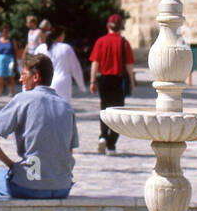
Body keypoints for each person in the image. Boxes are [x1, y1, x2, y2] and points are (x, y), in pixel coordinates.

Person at [0, 53, 78, 199]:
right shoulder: (66, 106)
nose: (20, 79)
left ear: (35, 77)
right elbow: (69, 150)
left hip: (30, 184)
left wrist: (11, 165)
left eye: (23, 74)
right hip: (62, 187)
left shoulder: (22, 99)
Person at [90, 13, 135, 154]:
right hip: (118, 80)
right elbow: (129, 65)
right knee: (118, 113)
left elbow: (95, 64)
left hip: (104, 80)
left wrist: (92, 81)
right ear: (120, 27)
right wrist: (132, 81)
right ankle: (111, 143)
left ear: (107, 26)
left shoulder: (100, 41)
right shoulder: (124, 42)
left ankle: (103, 136)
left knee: (105, 109)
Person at [45, 24, 86, 104]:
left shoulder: (42, 48)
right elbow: (75, 68)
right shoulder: (66, 48)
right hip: (63, 83)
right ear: (60, 36)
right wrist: (81, 85)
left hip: (46, 83)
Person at [0, 23, 16, 97]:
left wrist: (16, 61)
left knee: (11, 76)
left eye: (6, 31)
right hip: (1, 58)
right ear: (1, 32)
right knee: (0, 76)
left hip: (10, 58)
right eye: (4, 31)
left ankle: (12, 92)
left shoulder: (12, 40)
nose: (5, 32)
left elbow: (15, 51)